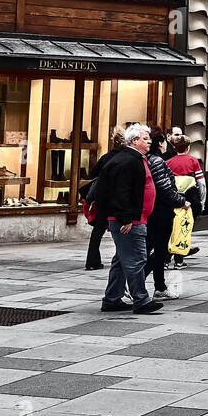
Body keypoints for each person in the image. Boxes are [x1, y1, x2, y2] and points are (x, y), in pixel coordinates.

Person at [90, 123, 163, 315]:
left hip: (133, 218)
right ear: (134, 141)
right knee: (137, 259)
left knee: (122, 260)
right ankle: (141, 299)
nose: (149, 141)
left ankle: (112, 299)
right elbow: (120, 193)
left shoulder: (134, 159)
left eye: (149, 138)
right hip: (130, 220)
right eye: (145, 138)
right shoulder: (127, 161)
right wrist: (125, 218)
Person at [145, 128, 190, 297]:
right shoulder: (157, 161)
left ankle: (160, 286)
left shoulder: (148, 160)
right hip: (160, 211)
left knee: (153, 248)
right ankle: (139, 281)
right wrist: (182, 201)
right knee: (160, 250)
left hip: (152, 210)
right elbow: (165, 188)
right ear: (161, 144)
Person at [80, 128, 125, 270]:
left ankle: (92, 261)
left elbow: (94, 173)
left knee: (98, 231)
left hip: (102, 198)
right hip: (117, 198)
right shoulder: (125, 158)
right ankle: (122, 258)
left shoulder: (106, 157)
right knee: (120, 230)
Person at [167, 135, 206, 255]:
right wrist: (202, 201)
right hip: (190, 198)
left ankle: (169, 252)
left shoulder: (168, 162)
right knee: (186, 226)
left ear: (175, 148)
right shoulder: (193, 161)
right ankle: (181, 253)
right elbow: (201, 183)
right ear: (188, 148)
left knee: (172, 225)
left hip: (173, 198)